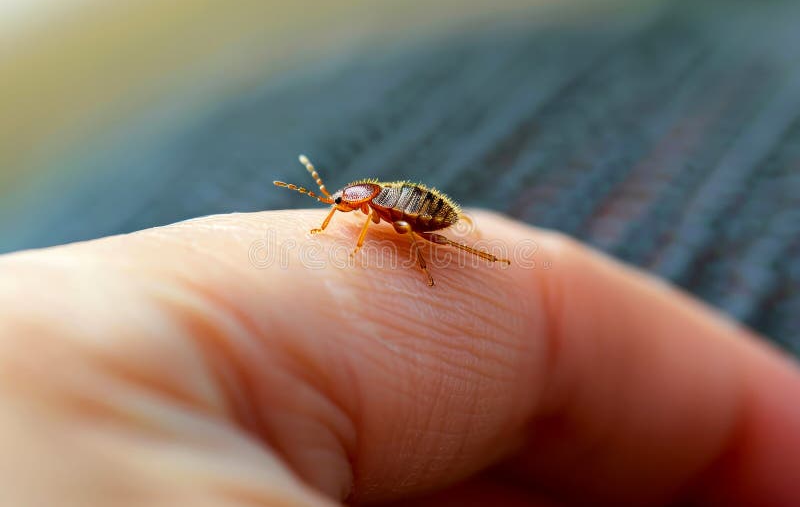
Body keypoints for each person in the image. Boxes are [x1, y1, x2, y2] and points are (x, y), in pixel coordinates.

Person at [0, 209, 797, 506]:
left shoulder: (391, 220)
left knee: (425, 251)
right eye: (340, 206)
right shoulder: (364, 216)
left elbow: (415, 228)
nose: (339, 215)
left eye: (341, 203)